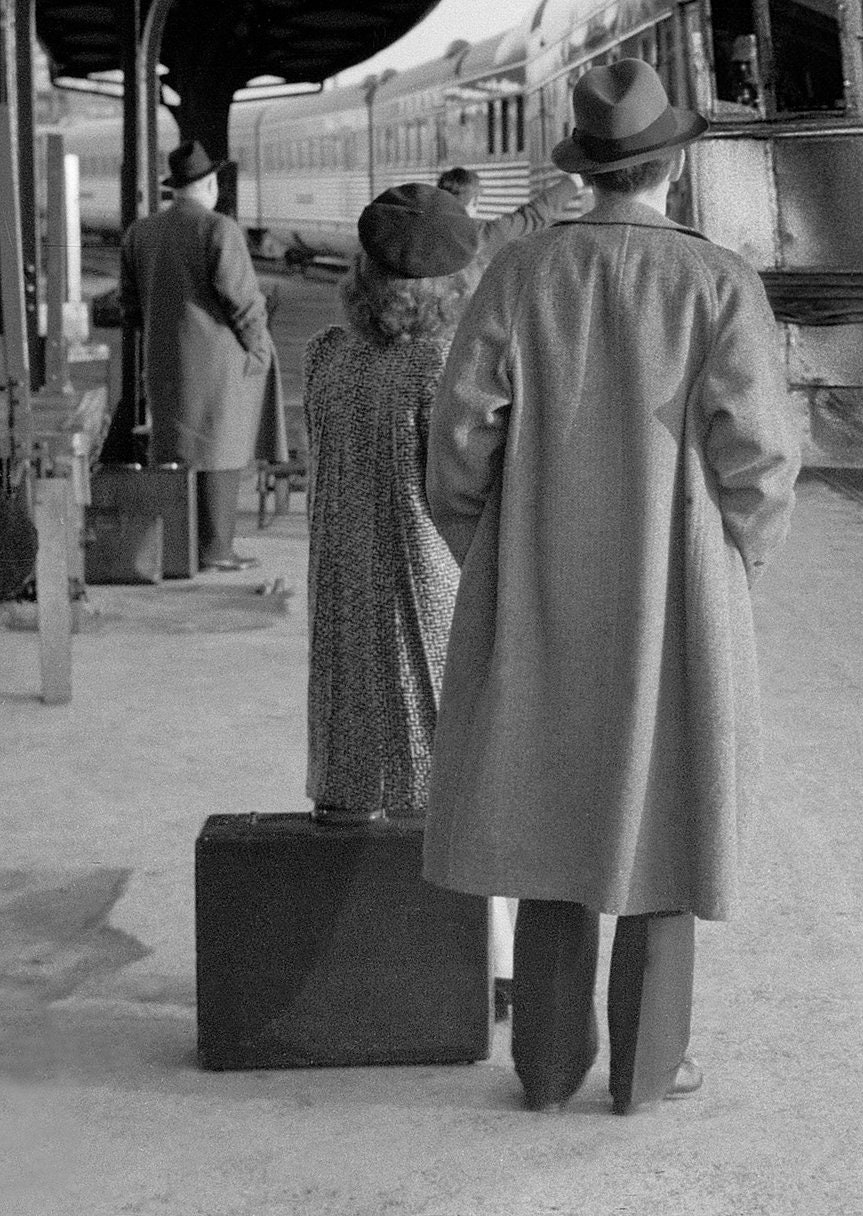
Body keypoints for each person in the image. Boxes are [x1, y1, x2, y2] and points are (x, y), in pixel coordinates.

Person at [424, 58, 800, 1115]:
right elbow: (761, 461)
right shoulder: (718, 281)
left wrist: (491, 551)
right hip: (677, 590)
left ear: (585, 169)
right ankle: (645, 1070)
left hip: (537, 577)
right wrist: (733, 568)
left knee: (547, 815)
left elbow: (457, 444)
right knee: (668, 816)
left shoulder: (518, 273)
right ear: (672, 165)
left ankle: (544, 1068)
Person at [301, 184, 482, 824]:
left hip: (344, 593)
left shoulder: (328, 358)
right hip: (429, 592)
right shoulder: (441, 372)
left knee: (349, 769)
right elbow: (472, 491)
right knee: (431, 777)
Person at [119, 142, 274, 572]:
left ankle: (177, 547)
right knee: (221, 447)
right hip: (219, 362)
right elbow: (242, 301)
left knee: (176, 447)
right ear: (209, 185)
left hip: (164, 360)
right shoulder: (219, 229)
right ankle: (216, 549)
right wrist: (258, 348)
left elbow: (128, 307)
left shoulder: (140, 232)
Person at [436, 165, 580, 260]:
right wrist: (575, 182)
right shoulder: (483, 235)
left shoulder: (421, 230)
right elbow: (533, 215)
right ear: (474, 201)